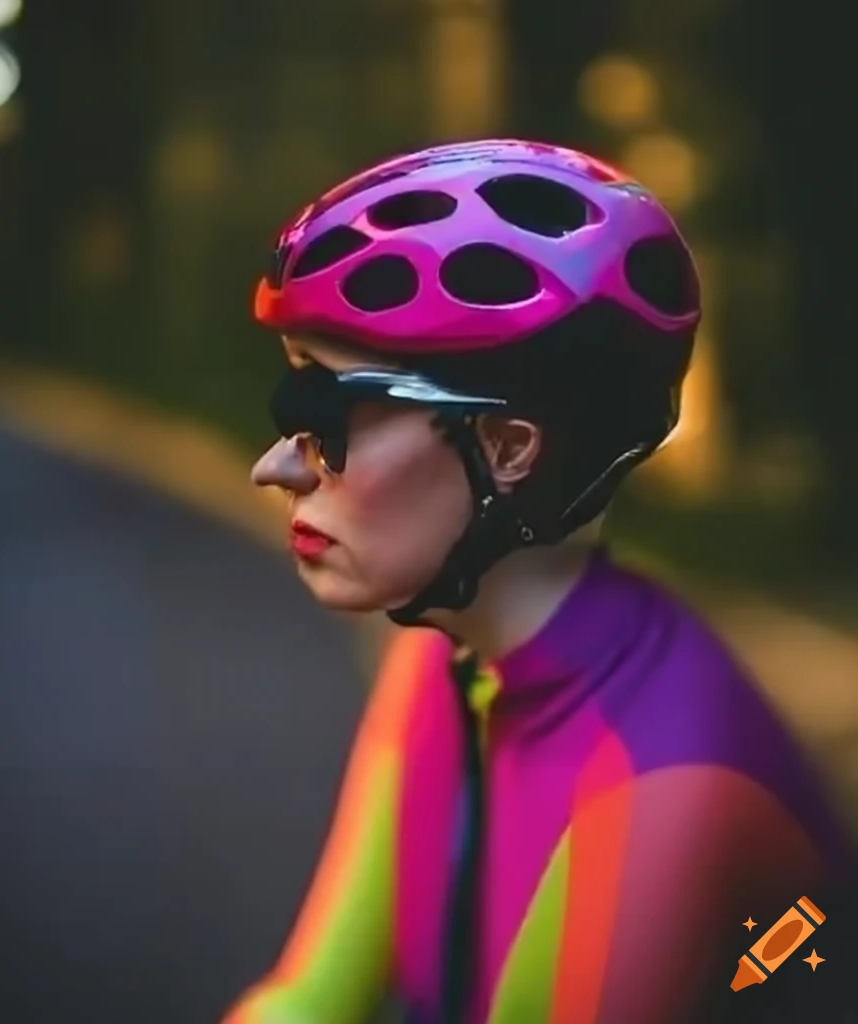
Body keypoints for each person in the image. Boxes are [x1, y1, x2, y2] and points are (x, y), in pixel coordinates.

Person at [221, 140, 854, 1024]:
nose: (274, 466)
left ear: (509, 449)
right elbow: (311, 1000)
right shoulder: (453, 661)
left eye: (325, 419)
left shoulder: (663, 791)